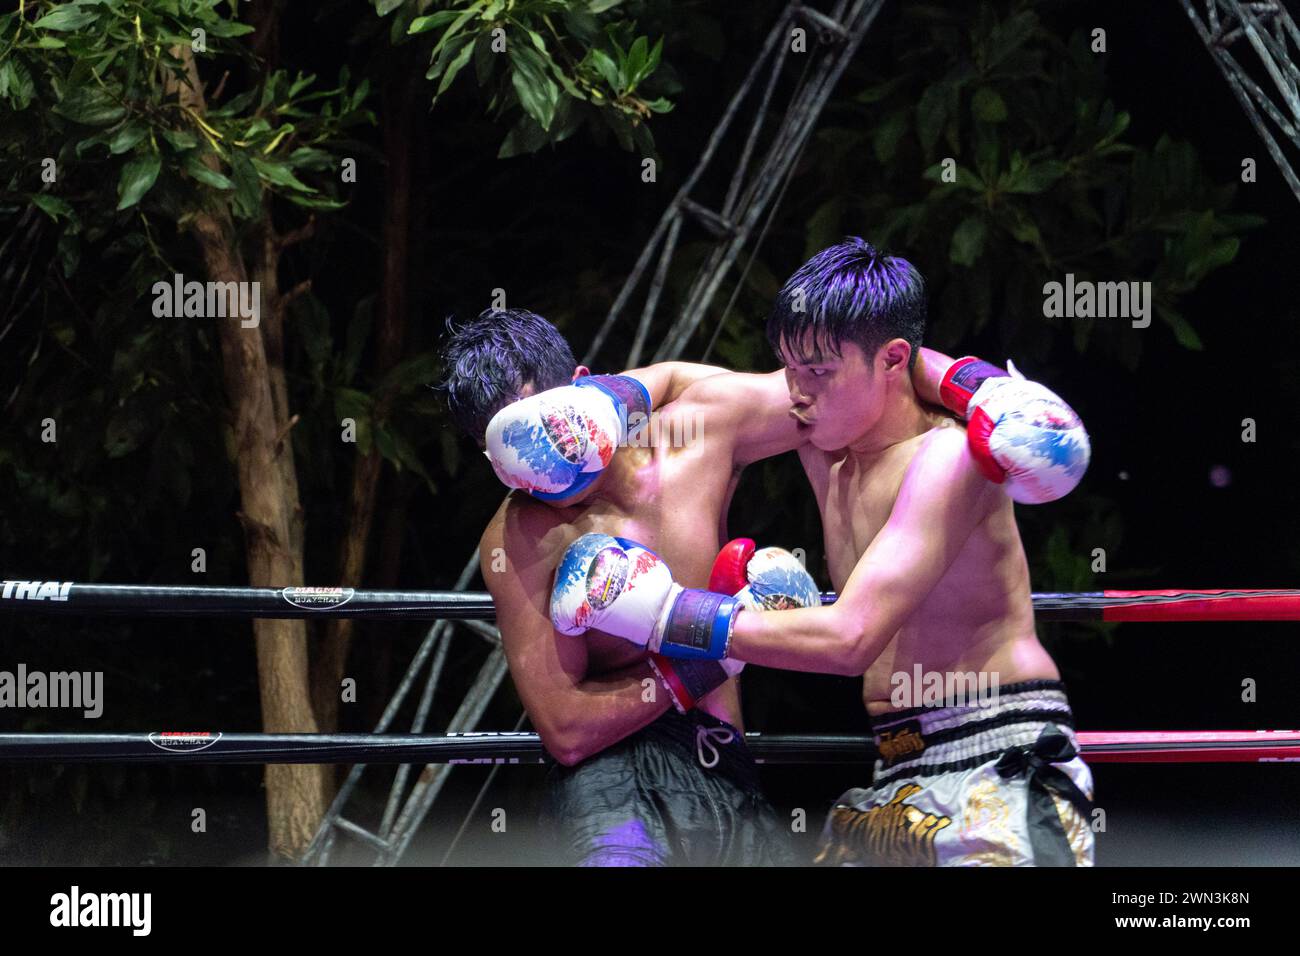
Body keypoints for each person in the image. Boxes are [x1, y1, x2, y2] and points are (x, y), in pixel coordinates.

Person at [549, 237, 1096, 866]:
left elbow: (851, 638)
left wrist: (664, 613)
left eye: (819, 370)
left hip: (999, 760)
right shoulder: (820, 432)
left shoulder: (947, 458)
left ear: (890, 362)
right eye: (788, 367)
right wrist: (598, 404)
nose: (797, 390)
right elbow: (685, 391)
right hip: (895, 775)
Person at [443, 305, 999, 865]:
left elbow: (862, 381)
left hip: (727, 768)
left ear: (588, 388)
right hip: (611, 785)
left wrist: (981, 388)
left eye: (547, 429)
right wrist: (712, 657)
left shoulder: (698, 431)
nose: (540, 463)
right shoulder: (520, 533)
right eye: (512, 450)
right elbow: (565, 731)